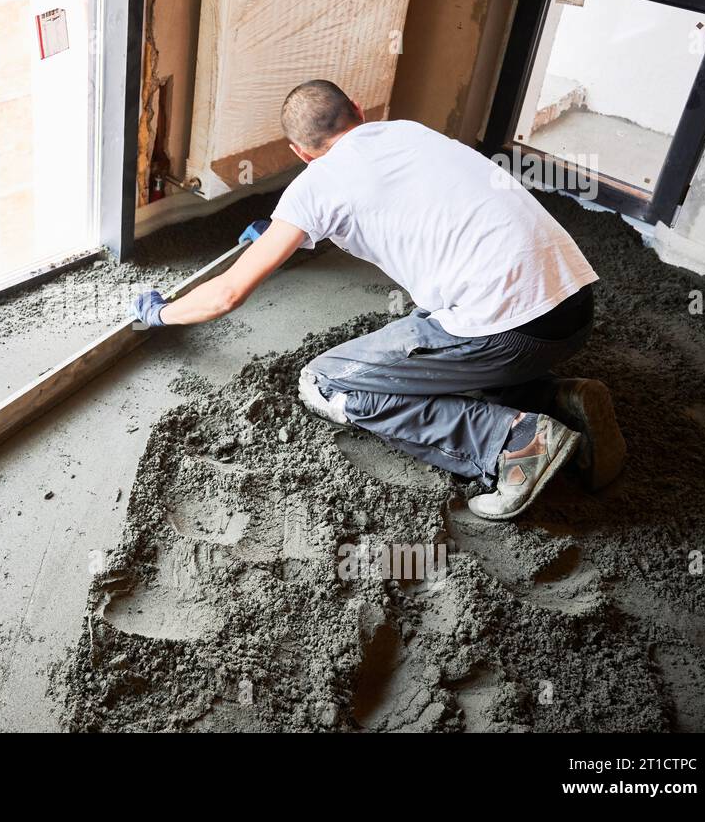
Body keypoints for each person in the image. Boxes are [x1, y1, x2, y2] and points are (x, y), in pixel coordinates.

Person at [130, 79, 625, 519]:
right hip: (574, 307)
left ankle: (514, 443)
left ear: (300, 152)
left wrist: (161, 313)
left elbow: (229, 293)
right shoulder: (409, 133)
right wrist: (283, 232)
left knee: (328, 383)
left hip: (512, 335)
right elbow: (392, 200)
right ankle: (553, 399)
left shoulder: (314, 187)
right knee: (440, 313)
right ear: (360, 112)